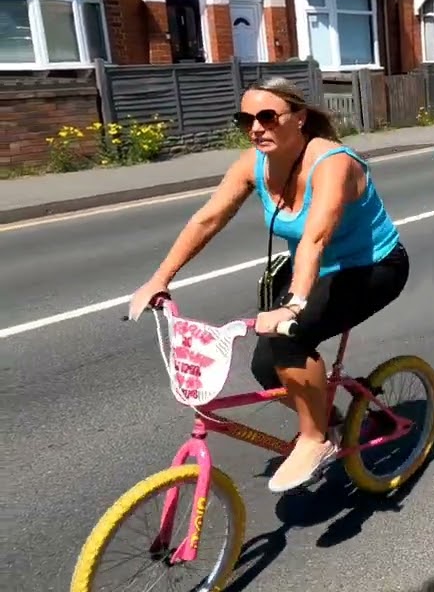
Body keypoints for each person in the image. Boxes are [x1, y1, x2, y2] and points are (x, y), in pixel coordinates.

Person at [127, 77, 410, 493]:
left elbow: (315, 237)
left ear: (299, 118)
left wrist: (294, 305)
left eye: (267, 117)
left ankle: (314, 439)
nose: (256, 128)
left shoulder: (333, 163)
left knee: (290, 340)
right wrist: (159, 279)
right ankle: (332, 423)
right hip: (314, 270)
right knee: (266, 367)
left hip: (372, 267)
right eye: (246, 120)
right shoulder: (254, 165)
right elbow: (207, 219)